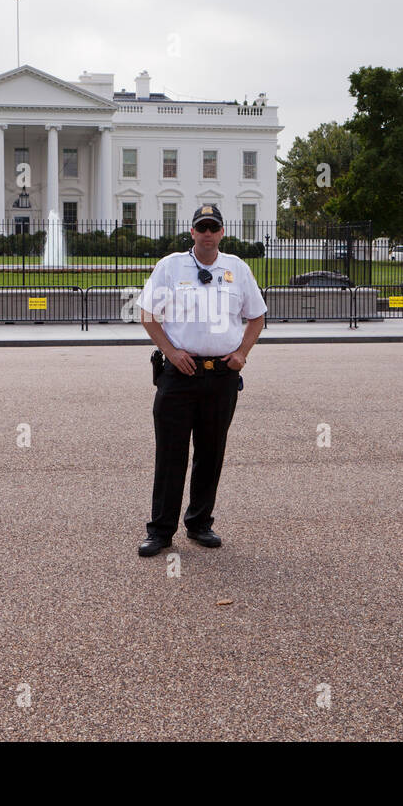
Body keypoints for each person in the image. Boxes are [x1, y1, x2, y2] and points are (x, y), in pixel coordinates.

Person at [135, 204, 267, 557]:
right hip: (179, 373)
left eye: (213, 227)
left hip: (221, 376)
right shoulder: (171, 266)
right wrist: (170, 351)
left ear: (222, 232)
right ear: (192, 232)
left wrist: (242, 354)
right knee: (170, 454)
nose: (207, 233)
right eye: (201, 227)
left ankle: (199, 523)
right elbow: (147, 314)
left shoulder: (236, 269)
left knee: (211, 452)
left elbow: (257, 316)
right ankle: (161, 530)